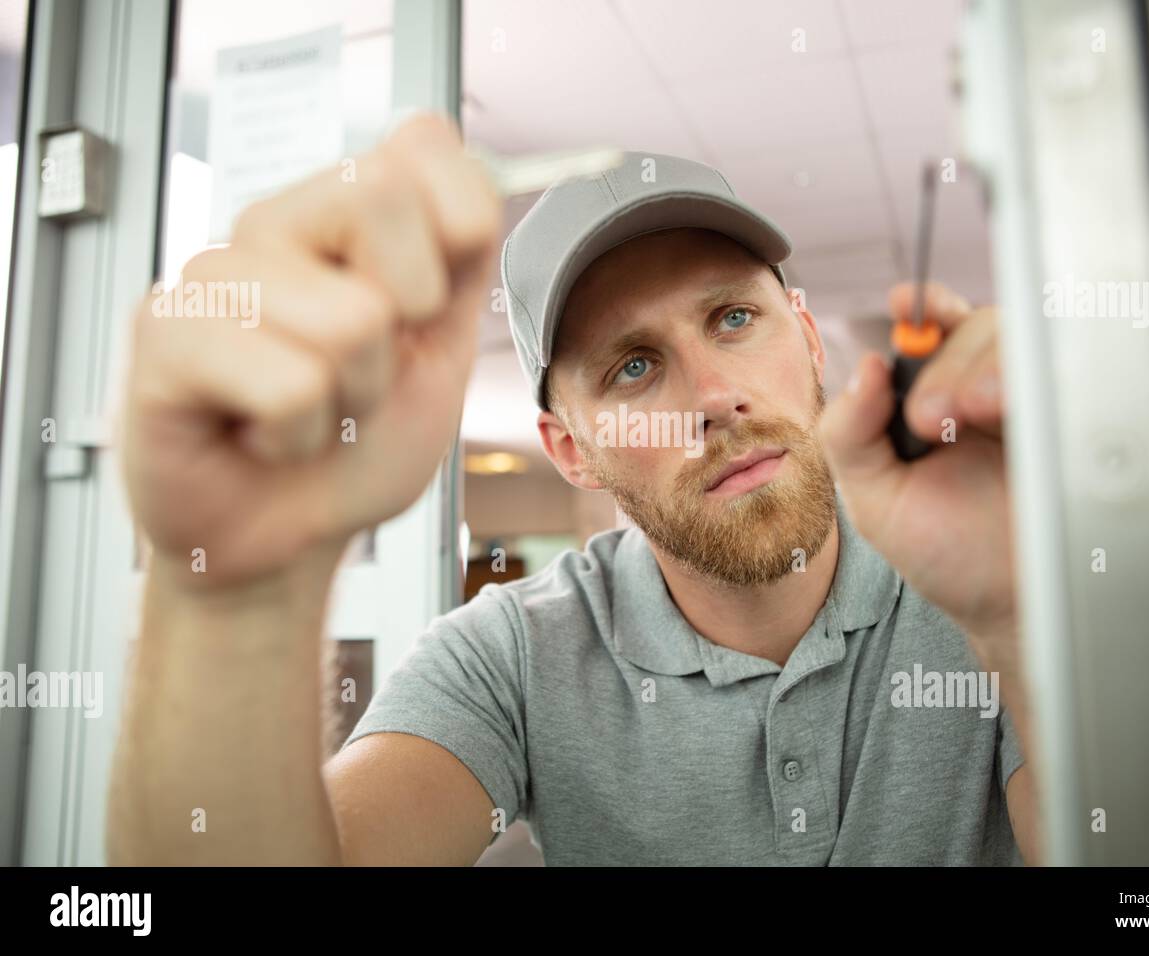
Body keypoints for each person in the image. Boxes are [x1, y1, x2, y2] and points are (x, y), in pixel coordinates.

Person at [108, 112, 1038, 866]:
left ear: (808, 337)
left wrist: (1018, 622)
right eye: (634, 367)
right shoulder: (511, 656)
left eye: (734, 317)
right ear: (569, 450)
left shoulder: (973, 570)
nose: (714, 397)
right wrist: (232, 601)